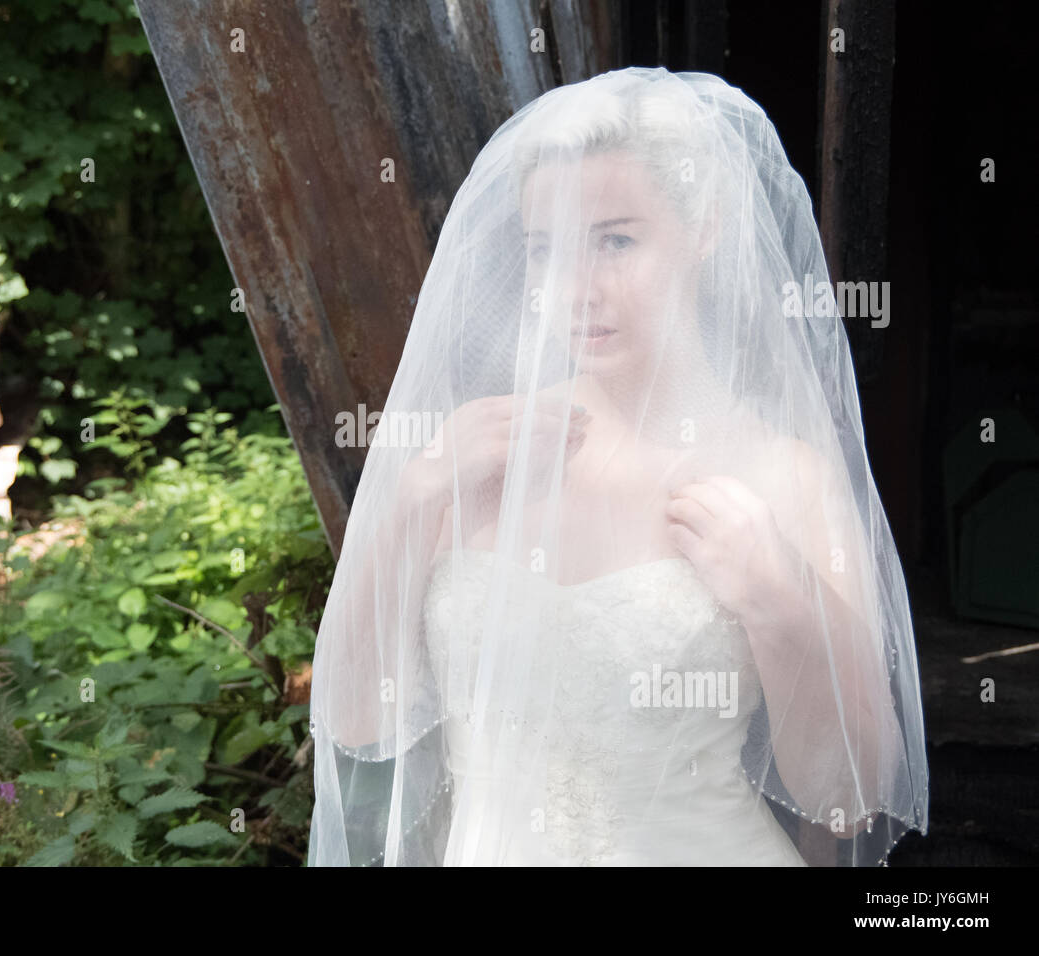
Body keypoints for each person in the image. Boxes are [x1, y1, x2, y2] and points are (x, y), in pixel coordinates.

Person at [307, 67, 928, 866]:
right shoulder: (470, 453)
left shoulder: (785, 475)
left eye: (616, 240)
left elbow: (848, 801)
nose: (574, 288)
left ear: (703, 225)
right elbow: (358, 721)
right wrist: (415, 503)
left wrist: (776, 601)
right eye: (545, 249)